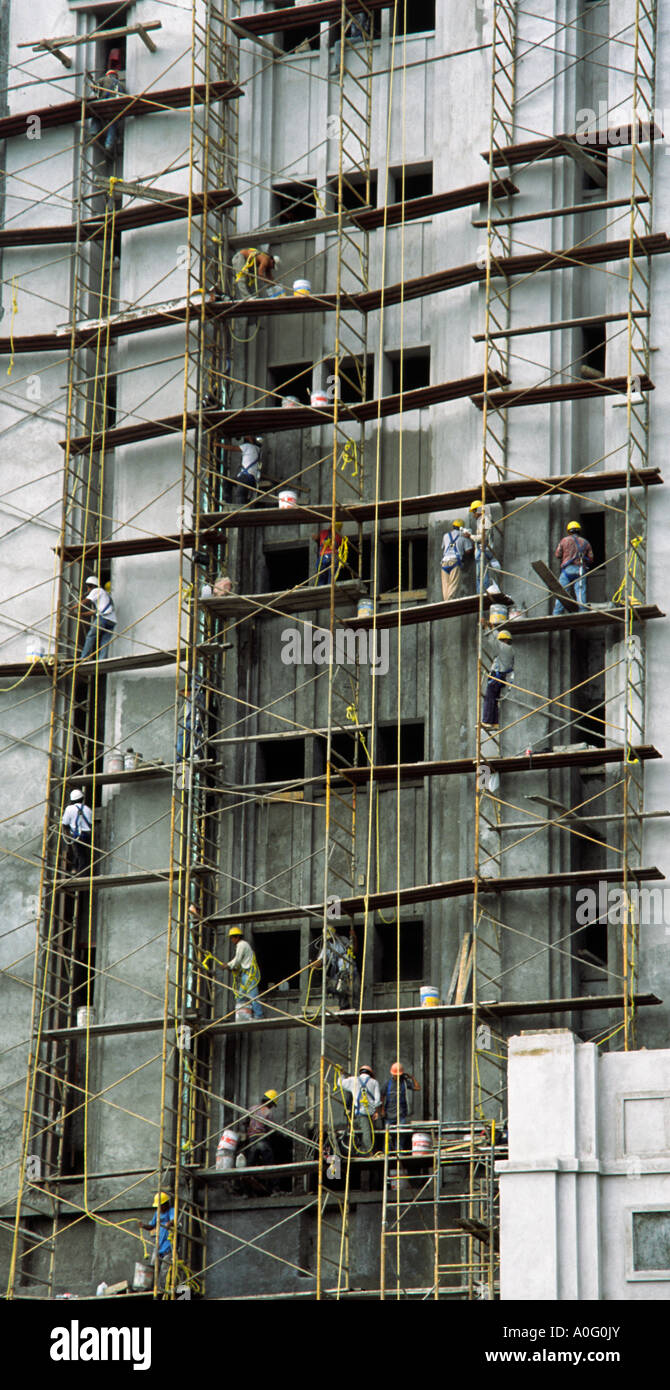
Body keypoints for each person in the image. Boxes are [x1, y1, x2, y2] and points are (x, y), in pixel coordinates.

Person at [90, 48, 126, 157]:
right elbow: (124, 95)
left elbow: (94, 87)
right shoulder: (121, 84)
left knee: (96, 115)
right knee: (112, 124)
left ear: (108, 75)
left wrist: (97, 92)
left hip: (104, 103)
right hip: (116, 106)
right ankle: (109, 145)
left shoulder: (103, 80)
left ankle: (94, 132)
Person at [553, 520, 594, 614]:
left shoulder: (564, 540)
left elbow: (557, 555)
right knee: (580, 593)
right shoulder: (585, 542)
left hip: (567, 570)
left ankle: (556, 613)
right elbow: (591, 559)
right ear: (579, 531)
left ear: (569, 531)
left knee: (561, 594)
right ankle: (583, 611)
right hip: (580, 570)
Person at [340, 1064, 381, 1155]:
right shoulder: (374, 1082)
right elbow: (377, 1100)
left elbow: (340, 1083)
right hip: (371, 1113)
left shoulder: (353, 1080)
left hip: (360, 1113)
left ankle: (367, 1152)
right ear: (370, 1073)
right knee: (369, 1133)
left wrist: (341, 1074)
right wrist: (376, 1112)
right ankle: (370, 1153)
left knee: (366, 1133)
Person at [223, 927, 263, 1019]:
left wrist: (228, 965)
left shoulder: (242, 945)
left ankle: (259, 1015)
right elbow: (239, 962)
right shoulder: (242, 945)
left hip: (250, 973)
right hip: (246, 973)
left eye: (232, 938)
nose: (231, 940)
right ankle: (243, 1016)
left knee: (253, 995)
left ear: (236, 937)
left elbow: (237, 960)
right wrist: (232, 967)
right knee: (240, 996)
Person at [314, 925, 359, 1006]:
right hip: (339, 972)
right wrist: (313, 965)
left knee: (354, 992)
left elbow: (354, 950)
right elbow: (320, 961)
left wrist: (354, 938)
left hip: (351, 969)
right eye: (328, 939)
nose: (330, 940)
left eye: (331, 938)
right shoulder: (327, 946)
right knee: (339, 989)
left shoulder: (343, 940)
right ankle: (343, 1005)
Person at [466, 500, 502, 595]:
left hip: (483, 549)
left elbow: (482, 537)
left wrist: (470, 536)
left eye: (474, 512)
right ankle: (482, 594)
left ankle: (481, 595)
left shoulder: (484, 520)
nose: (473, 515)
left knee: (481, 576)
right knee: (483, 574)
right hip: (485, 549)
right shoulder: (484, 520)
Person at [382, 1062, 420, 1152]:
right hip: (389, 1115)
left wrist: (412, 1078)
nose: (397, 1077)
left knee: (401, 1136)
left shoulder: (405, 1082)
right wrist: (382, 1110)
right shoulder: (388, 1083)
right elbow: (382, 1096)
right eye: (395, 1075)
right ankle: (385, 1154)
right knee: (387, 1137)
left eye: (398, 1075)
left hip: (401, 1115)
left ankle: (399, 1153)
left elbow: (417, 1088)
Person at [141, 1192, 175, 1291]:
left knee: (165, 1270)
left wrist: (170, 1223)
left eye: (160, 1206)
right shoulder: (157, 1213)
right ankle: (150, 1288)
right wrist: (143, 1225)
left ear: (165, 1204)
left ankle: (163, 1290)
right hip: (158, 1245)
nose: (159, 1208)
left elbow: (173, 1221)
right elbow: (151, 1226)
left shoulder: (171, 1211)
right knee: (153, 1267)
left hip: (168, 1245)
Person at [482, 629, 514, 730]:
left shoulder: (505, 648)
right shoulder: (508, 650)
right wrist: (492, 629)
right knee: (494, 700)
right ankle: (494, 722)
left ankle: (487, 721)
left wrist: (488, 629)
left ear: (504, 640)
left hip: (497, 677)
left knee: (489, 698)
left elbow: (493, 641)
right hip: (500, 676)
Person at [80, 575, 116, 661]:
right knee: (105, 641)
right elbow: (94, 611)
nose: (88, 590)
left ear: (92, 586)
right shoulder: (105, 595)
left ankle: (84, 657)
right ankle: (102, 659)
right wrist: (81, 614)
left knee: (91, 636)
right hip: (112, 620)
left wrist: (73, 607)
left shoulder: (96, 590)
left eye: (88, 587)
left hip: (103, 618)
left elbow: (85, 601)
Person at [220, 435, 263, 505]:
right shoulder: (257, 449)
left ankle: (238, 507)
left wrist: (218, 445)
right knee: (228, 481)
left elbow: (232, 448)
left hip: (247, 476)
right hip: (249, 478)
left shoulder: (248, 446)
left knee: (240, 493)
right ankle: (229, 502)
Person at [440, 518, 474, 601]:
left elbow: (443, 547)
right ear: (462, 528)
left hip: (444, 562)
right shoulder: (464, 537)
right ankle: (449, 602)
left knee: (445, 585)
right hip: (455, 561)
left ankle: (445, 601)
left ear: (453, 527)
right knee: (454, 584)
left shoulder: (446, 536)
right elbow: (468, 550)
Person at [61, 789, 93, 875]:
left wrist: (67, 833)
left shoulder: (69, 809)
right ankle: (79, 870)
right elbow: (91, 823)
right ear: (82, 799)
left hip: (77, 835)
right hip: (88, 835)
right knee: (85, 854)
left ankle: (81, 874)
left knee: (80, 855)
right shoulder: (88, 809)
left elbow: (65, 823)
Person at [245, 1090, 280, 1166]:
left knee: (250, 1163)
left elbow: (245, 1122)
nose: (272, 1107)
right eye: (272, 1104)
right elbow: (271, 1129)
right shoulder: (268, 1112)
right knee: (269, 1163)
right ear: (270, 1102)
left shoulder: (252, 1109)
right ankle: (270, 1177)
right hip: (262, 1139)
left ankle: (248, 1177)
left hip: (251, 1139)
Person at [177, 680, 205, 761]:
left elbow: (200, 708)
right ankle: (182, 757)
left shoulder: (197, 695)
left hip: (193, 718)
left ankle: (195, 755)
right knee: (186, 735)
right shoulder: (195, 696)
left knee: (194, 734)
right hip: (191, 719)